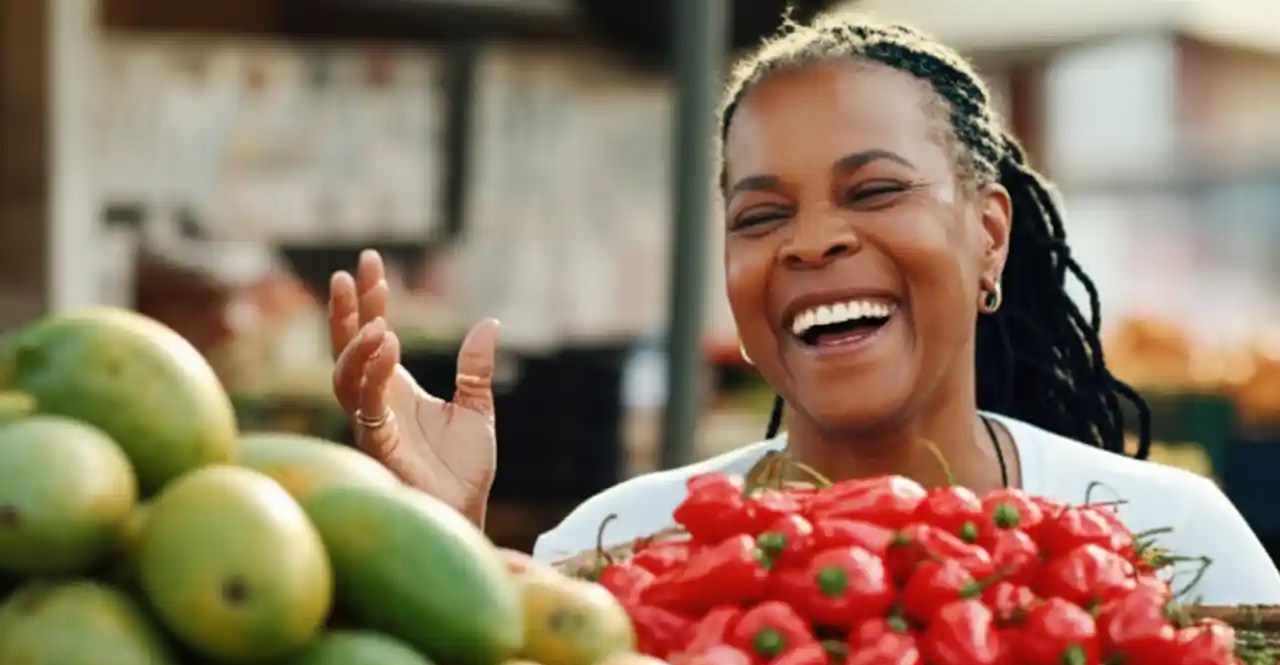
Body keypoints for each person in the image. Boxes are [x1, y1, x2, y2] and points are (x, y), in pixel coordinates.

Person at [328, 14, 1280, 604]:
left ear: (989, 235)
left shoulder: (1176, 547)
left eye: (873, 193)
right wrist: (442, 548)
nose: (811, 241)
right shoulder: (610, 553)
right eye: (762, 214)